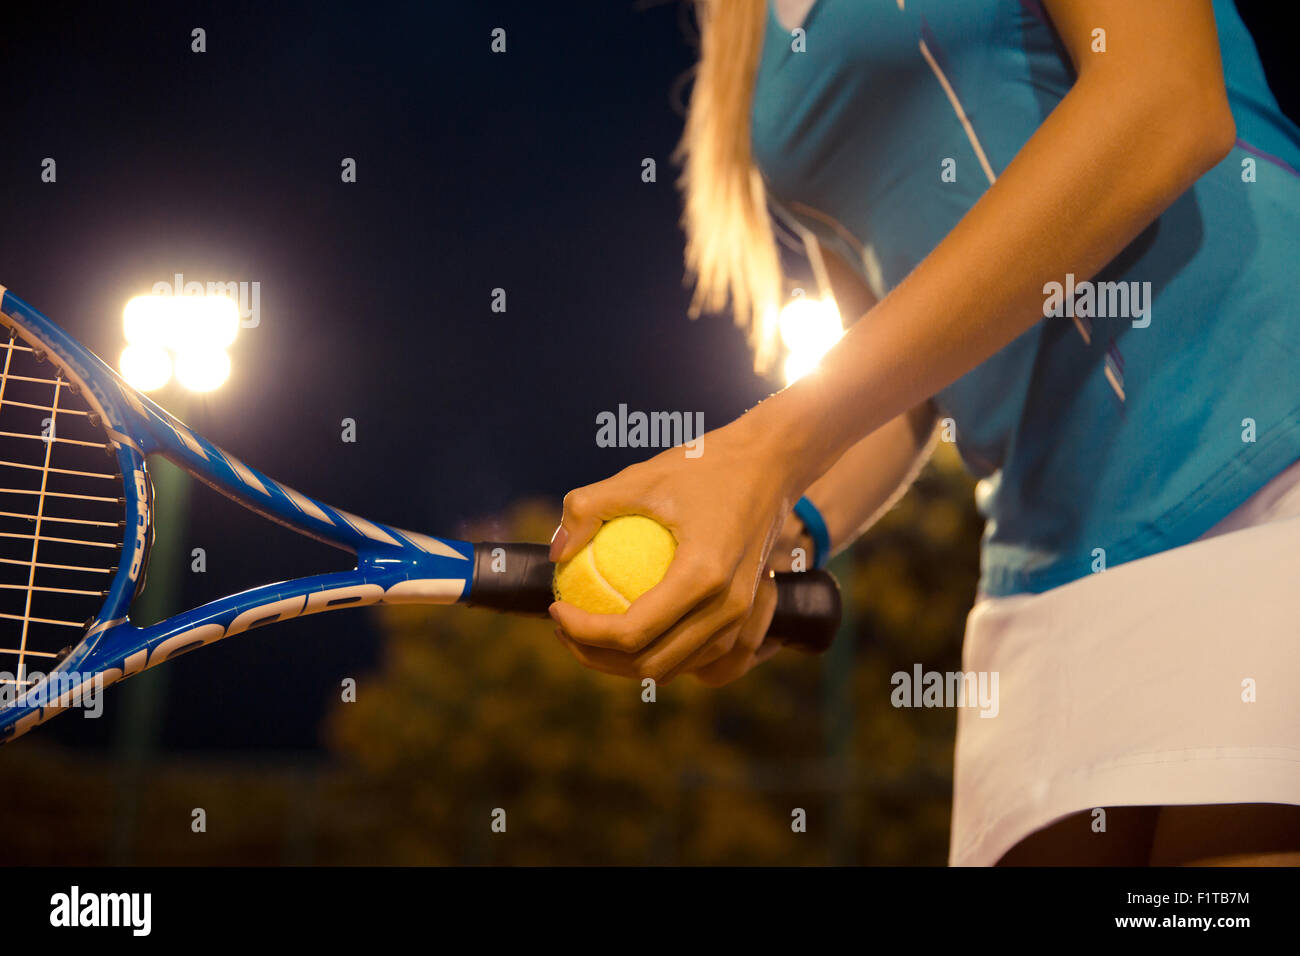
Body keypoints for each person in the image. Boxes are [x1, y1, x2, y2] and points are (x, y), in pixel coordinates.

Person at [549, 0, 1300, 865]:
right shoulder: (745, 38)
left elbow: (1164, 99)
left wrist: (766, 448)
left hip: (1264, 446)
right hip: (1046, 563)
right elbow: (898, 382)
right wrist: (774, 540)